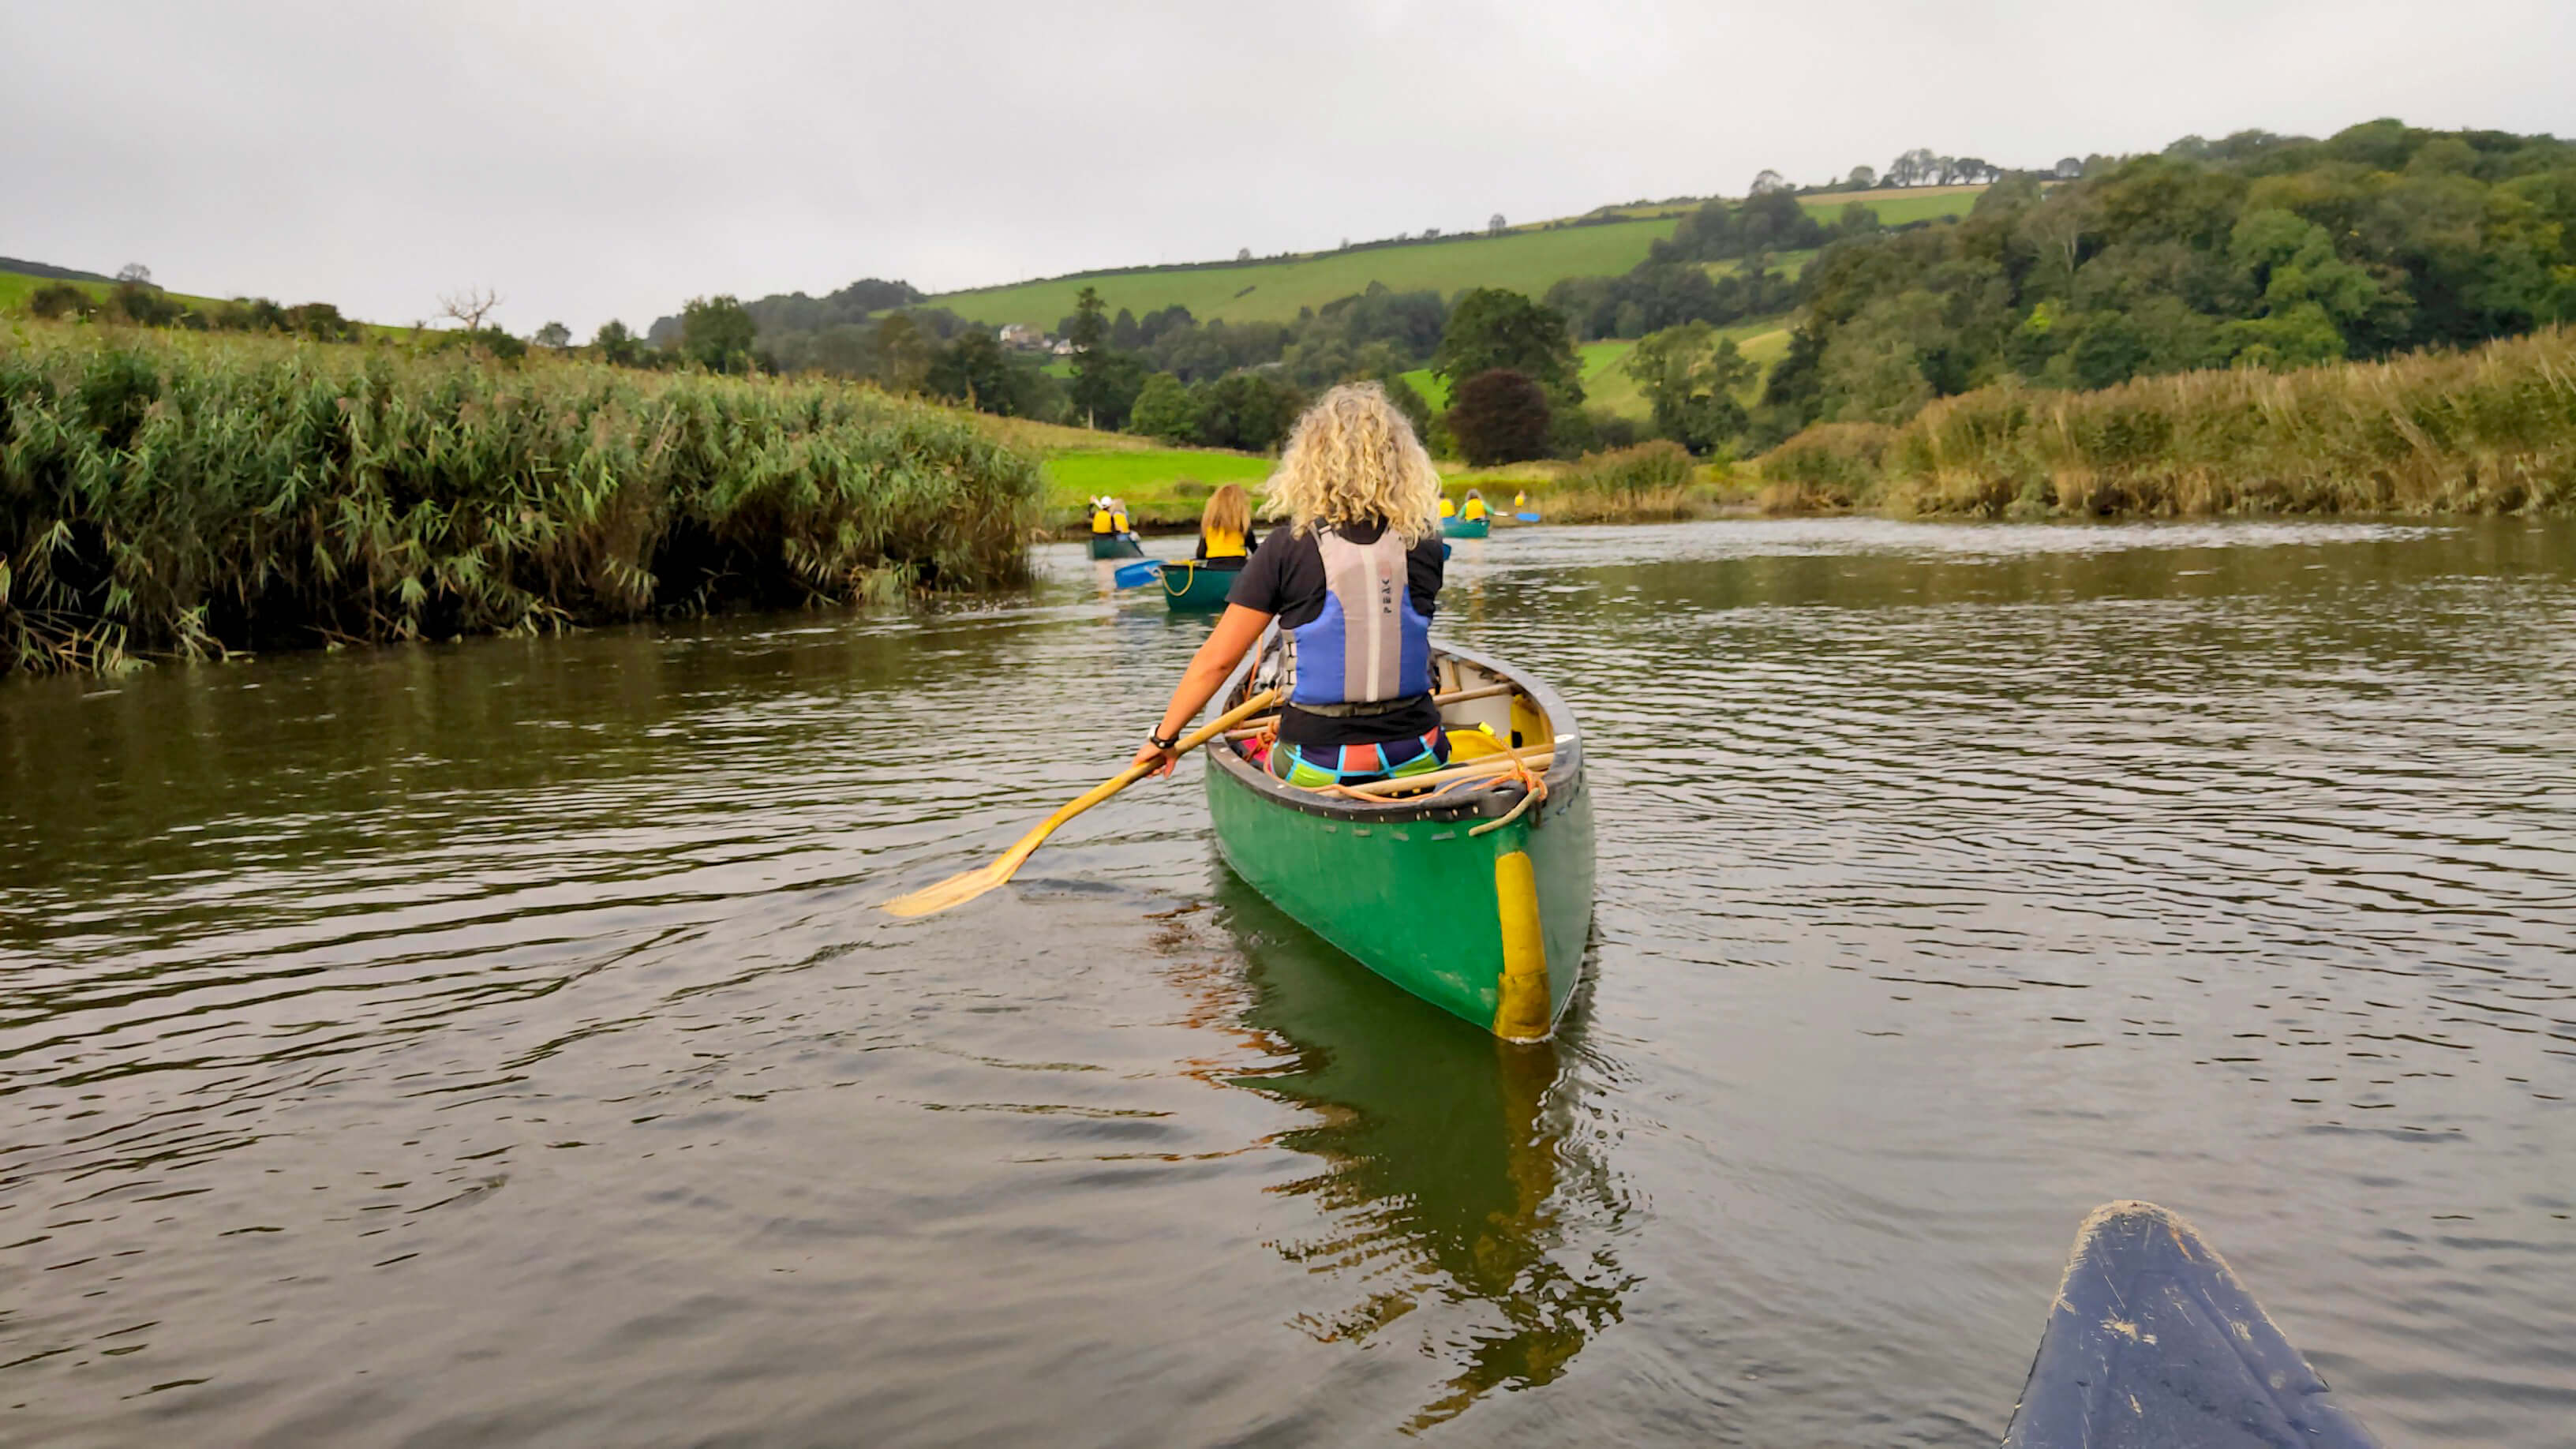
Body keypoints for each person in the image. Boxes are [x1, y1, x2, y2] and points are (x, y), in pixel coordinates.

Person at [1132, 383, 1448, 789]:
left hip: (1317, 761)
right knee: (1430, 747)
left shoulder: (1286, 547)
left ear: (1310, 463)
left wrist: (1163, 738)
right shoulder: (1426, 545)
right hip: (1416, 752)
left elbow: (1218, 662)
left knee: (1261, 752)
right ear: (1402, 462)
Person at [1191, 482, 1258, 570]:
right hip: (1239, 568)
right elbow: (1256, 552)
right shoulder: (1242, 526)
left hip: (1213, 568)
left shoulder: (1208, 527)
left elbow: (1200, 554)